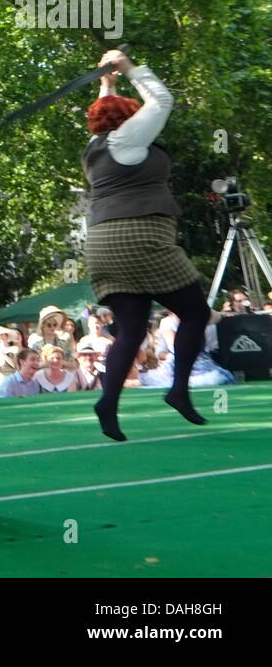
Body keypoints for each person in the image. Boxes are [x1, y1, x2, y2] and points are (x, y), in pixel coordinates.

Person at [82, 49, 211, 441]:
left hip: (102, 244)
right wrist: (130, 67)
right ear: (129, 119)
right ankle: (178, 390)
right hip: (140, 236)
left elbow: (107, 112)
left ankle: (108, 402)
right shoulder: (127, 138)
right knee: (195, 313)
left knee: (133, 327)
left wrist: (108, 82)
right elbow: (163, 100)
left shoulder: (94, 146)